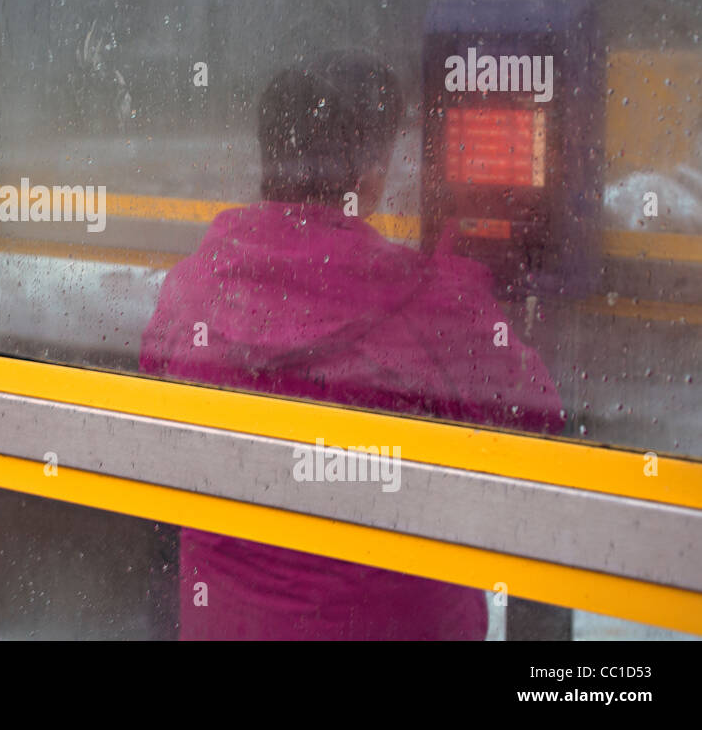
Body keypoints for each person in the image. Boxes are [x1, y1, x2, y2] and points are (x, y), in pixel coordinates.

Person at [139, 51, 564, 640]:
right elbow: (539, 425)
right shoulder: (436, 308)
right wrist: (462, 270)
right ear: (372, 176)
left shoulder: (191, 289)